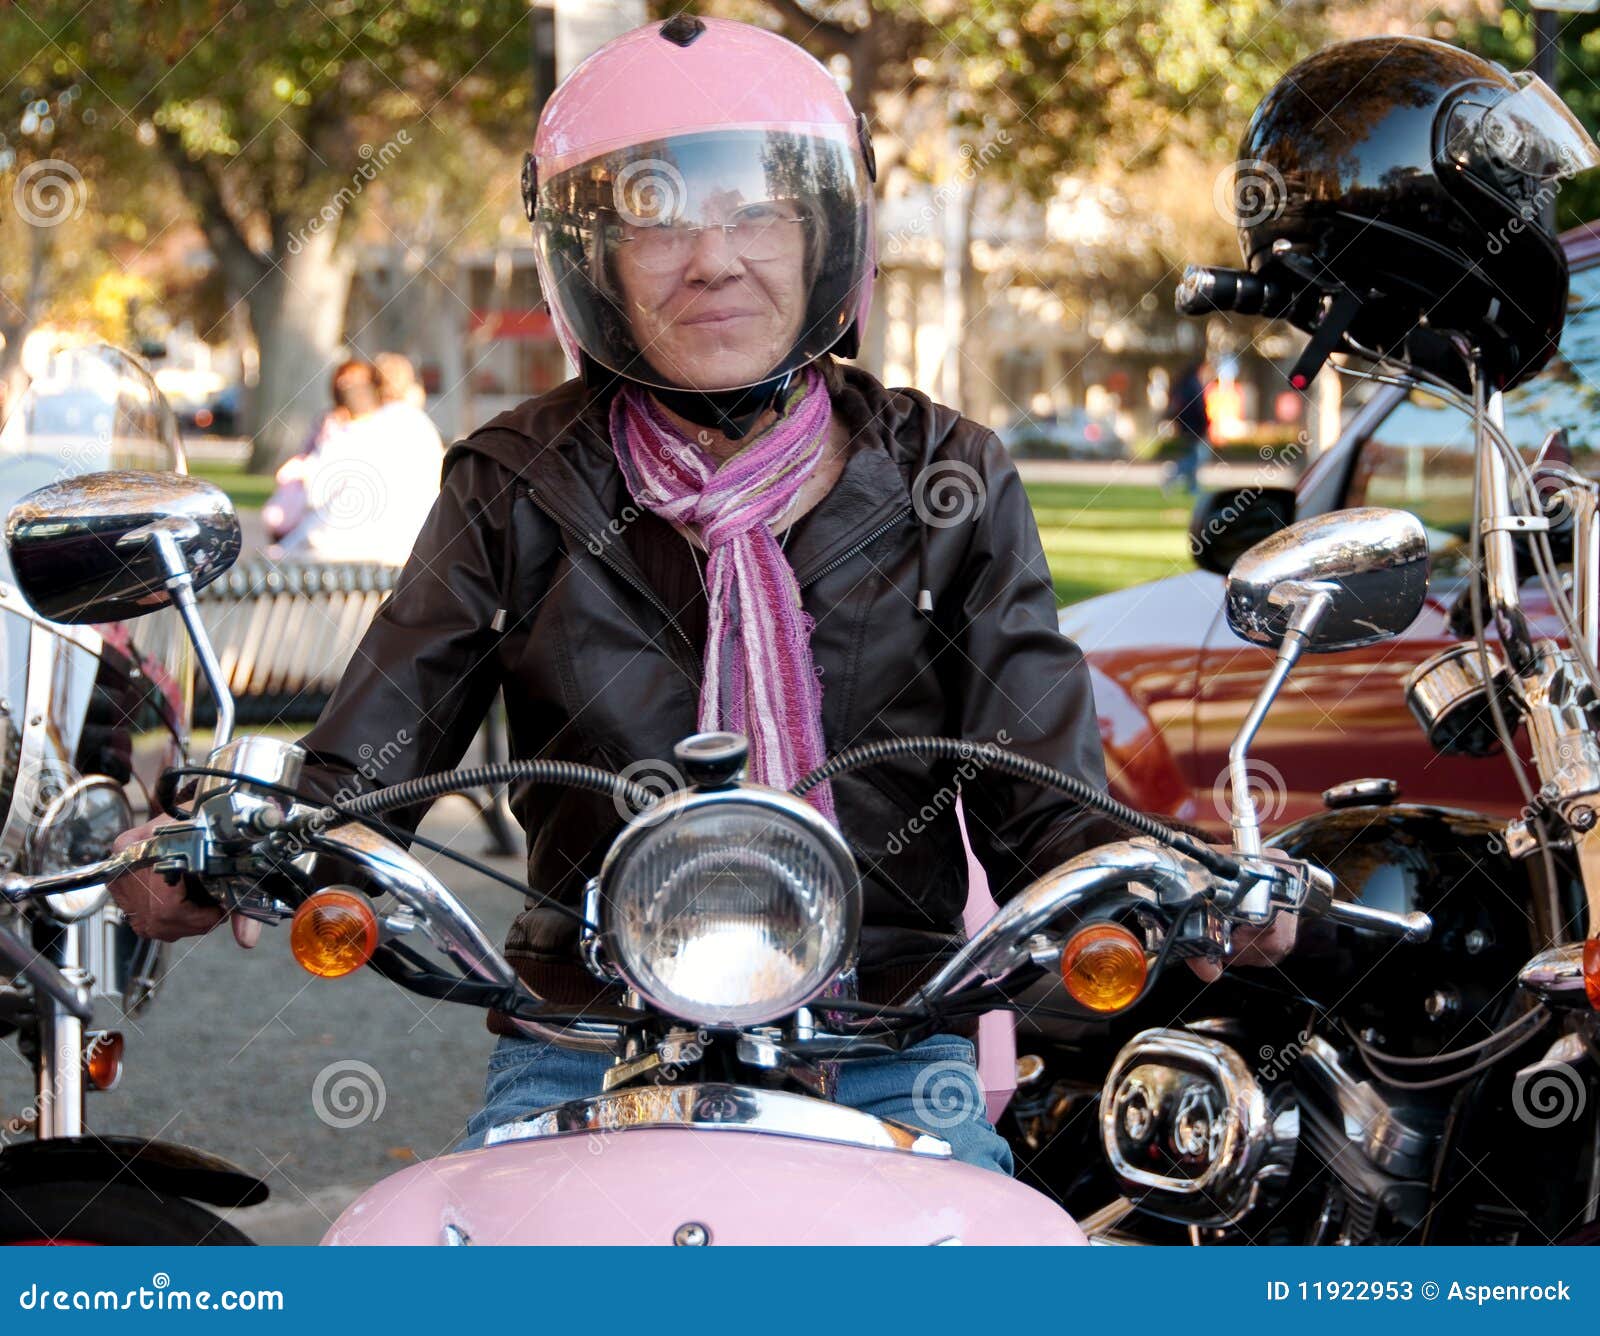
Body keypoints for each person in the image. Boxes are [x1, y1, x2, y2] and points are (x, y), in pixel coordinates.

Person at [106, 16, 1289, 1176]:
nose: (714, 257)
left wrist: (1178, 883)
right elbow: (367, 779)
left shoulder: (948, 473)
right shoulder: (515, 481)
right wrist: (225, 851)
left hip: (882, 1041)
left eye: (759, 210)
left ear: (828, 235)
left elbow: (1049, 804)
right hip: (587, 1044)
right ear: (592, 264)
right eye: (653, 217)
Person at [272, 353, 445, 565]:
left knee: (271, 562)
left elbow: (315, 494)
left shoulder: (358, 430)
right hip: (410, 550)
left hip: (341, 552)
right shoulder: (426, 430)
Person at [1162, 358, 1211, 495]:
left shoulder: (1184, 384)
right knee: (1197, 457)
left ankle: (1192, 487)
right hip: (1194, 426)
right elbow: (1198, 408)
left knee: (1195, 455)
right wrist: (1205, 425)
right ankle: (1174, 474)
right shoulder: (1193, 385)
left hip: (1187, 426)